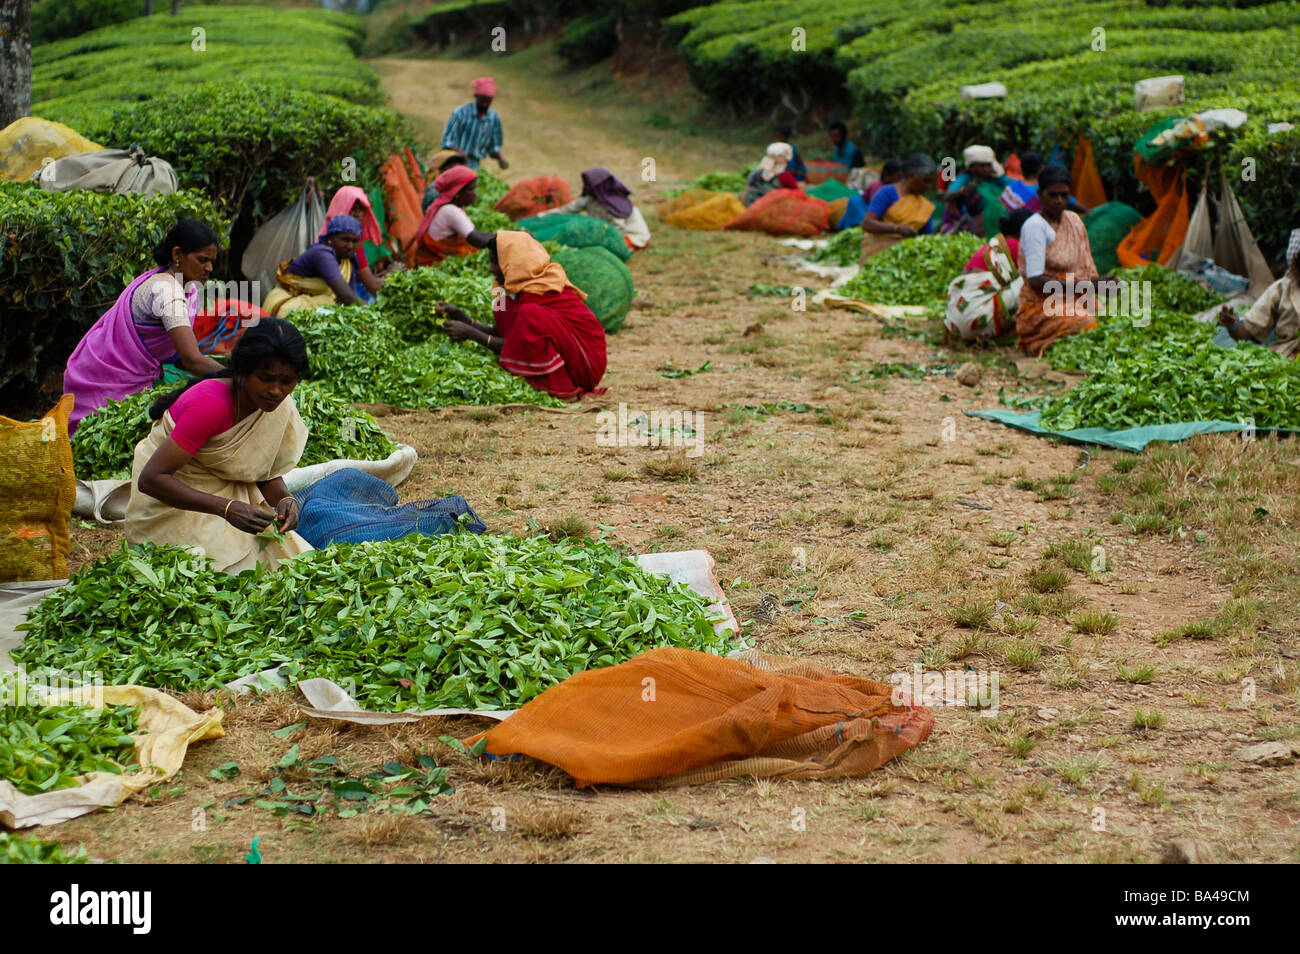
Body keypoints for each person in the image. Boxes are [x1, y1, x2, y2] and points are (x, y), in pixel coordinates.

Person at [126, 318, 314, 574]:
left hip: (229, 506)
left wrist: (285, 499)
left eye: (287, 381)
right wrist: (226, 508)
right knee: (215, 576)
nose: (276, 391)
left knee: (297, 566)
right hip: (172, 509)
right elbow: (151, 479)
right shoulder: (211, 405)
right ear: (242, 372)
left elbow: (259, 471)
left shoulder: (278, 407)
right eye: (266, 378)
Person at [64, 220, 226, 434]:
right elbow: (191, 358)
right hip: (106, 381)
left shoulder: (186, 288)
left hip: (131, 375)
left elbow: (180, 355)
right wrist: (238, 375)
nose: (209, 269)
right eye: (202, 260)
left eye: (212, 262)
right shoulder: (166, 291)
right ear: (177, 255)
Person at [438, 232, 606, 400]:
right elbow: (498, 332)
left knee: (530, 314)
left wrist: (471, 334)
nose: (491, 269)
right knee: (515, 309)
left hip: (583, 367)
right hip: (558, 353)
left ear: (514, 263)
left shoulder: (543, 290)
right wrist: (461, 316)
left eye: (496, 262)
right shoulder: (501, 290)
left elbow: (516, 345)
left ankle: (563, 389)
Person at [1014, 165, 1117, 356]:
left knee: (1113, 321)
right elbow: (1036, 281)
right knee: (1088, 323)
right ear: (1040, 194)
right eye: (1052, 195)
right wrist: (1086, 287)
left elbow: (1081, 271)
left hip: (1073, 296)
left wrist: (1101, 282)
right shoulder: (1035, 227)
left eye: (1064, 195)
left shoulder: (1073, 221)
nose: (1059, 201)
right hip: (1040, 305)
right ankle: (1038, 341)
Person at [946, 208, 1035, 343]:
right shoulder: (1016, 246)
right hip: (974, 319)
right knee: (1034, 283)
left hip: (954, 320)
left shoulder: (995, 246)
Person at [1218, 228, 1300, 359]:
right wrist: (1233, 323)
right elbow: (1250, 332)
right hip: (1286, 360)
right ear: (1296, 262)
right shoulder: (1281, 289)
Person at [262, 215, 365, 316]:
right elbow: (347, 297)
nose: (350, 246)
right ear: (331, 238)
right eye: (345, 240)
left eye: (355, 241)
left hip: (314, 303)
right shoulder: (322, 254)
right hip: (289, 305)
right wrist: (372, 312)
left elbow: (349, 299)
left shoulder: (347, 259)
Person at [536, 167, 651, 250]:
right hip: (606, 234)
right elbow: (567, 210)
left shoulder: (616, 204)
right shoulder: (589, 199)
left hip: (630, 237)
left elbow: (618, 231)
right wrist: (540, 217)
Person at [409, 165, 494, 266]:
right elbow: (477, 240)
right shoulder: (451, 211)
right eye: (471, 190)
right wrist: (503, 239)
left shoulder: (447, 208)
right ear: (457, 192)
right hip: (437, 265)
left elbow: (478, 234)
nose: (475, 194)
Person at [860, 153, 938, 260]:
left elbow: (928, 237)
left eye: (931, 183)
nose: (928, 186)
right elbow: (867, 223)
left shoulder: (923, 206)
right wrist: (897, 229)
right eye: (926, 181)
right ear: (911, 175)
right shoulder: (887, 193)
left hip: (905, 257)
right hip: (878, 253)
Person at [322, 186, 392, 303]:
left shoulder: (351, 242)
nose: (357, 213)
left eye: (361, 209)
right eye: (353, 208)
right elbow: (372, 286)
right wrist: (393, 273)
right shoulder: (333, 247)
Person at [943, 145, 1012, 237]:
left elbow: (1013, 185)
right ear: (972, 168)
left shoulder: (996, 178)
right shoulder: (966, 178)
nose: (987, 169)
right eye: (982, 166)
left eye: (989, 165)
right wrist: (964, 191)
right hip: (972, 222)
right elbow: (947, 195)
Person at [440, 77, 508, 171]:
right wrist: (461, 154)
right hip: (454, 162)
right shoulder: (461, 113)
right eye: (482, 100)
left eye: (488, 101)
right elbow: (447, 140)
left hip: (475, 164)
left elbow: (493, 147)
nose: (485, 104)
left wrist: (500, 159)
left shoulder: (493, 118)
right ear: (476, 96)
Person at [838, 158, 901, 231]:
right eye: (898, 177)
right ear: (887, 176)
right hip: (863, 209)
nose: (900, 180)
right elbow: (875, 208)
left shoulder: (895, 188)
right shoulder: (878, 187)